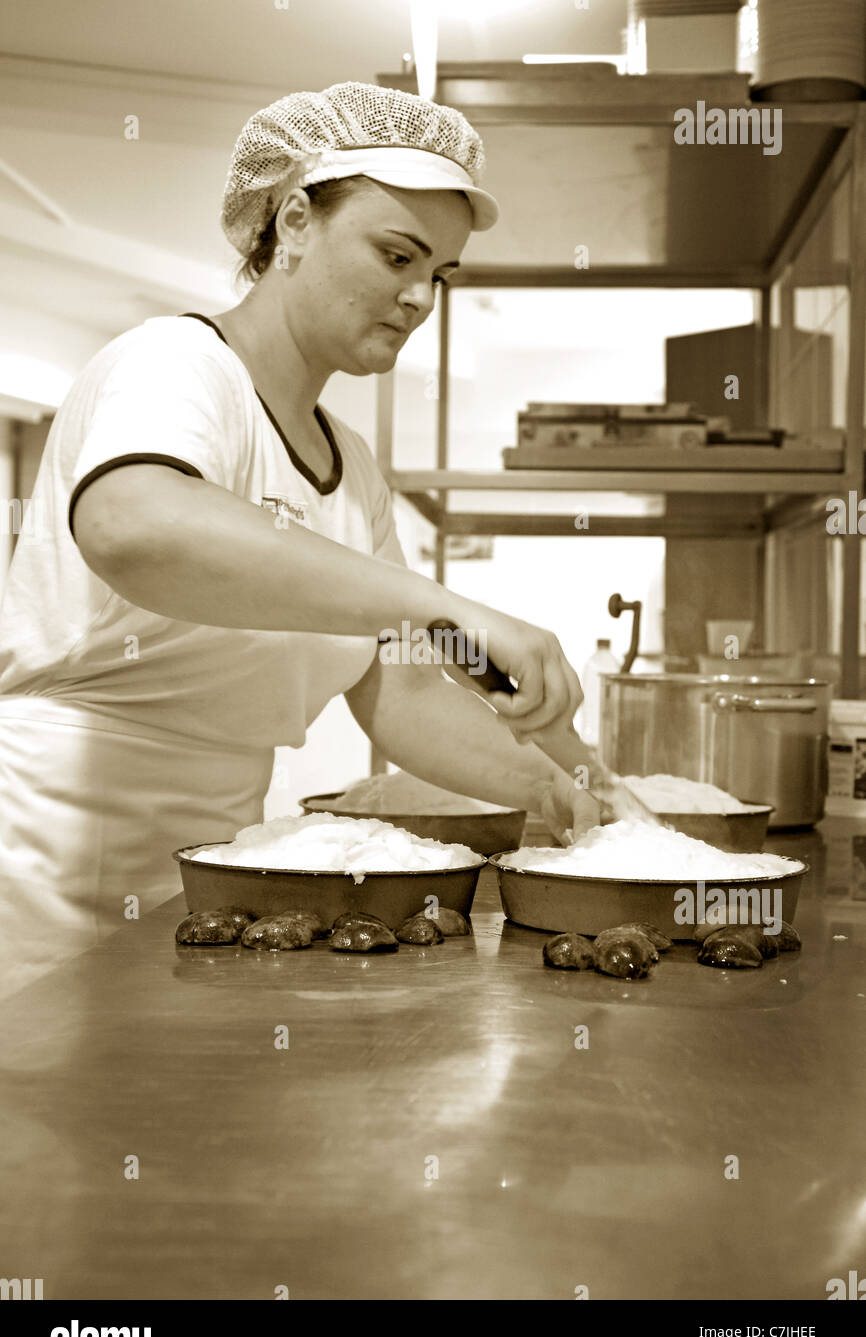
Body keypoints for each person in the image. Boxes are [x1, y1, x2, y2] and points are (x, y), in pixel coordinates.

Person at [0, 81, 597, 1000]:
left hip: (218, 867)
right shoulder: (175, 364)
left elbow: (393, 685)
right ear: (293, 223)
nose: (418, 297)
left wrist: (560, 792)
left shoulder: (351, 466)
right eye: (397, 254)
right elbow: (134, 523)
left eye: (438, 274)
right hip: (50, 864)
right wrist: (441, 602)